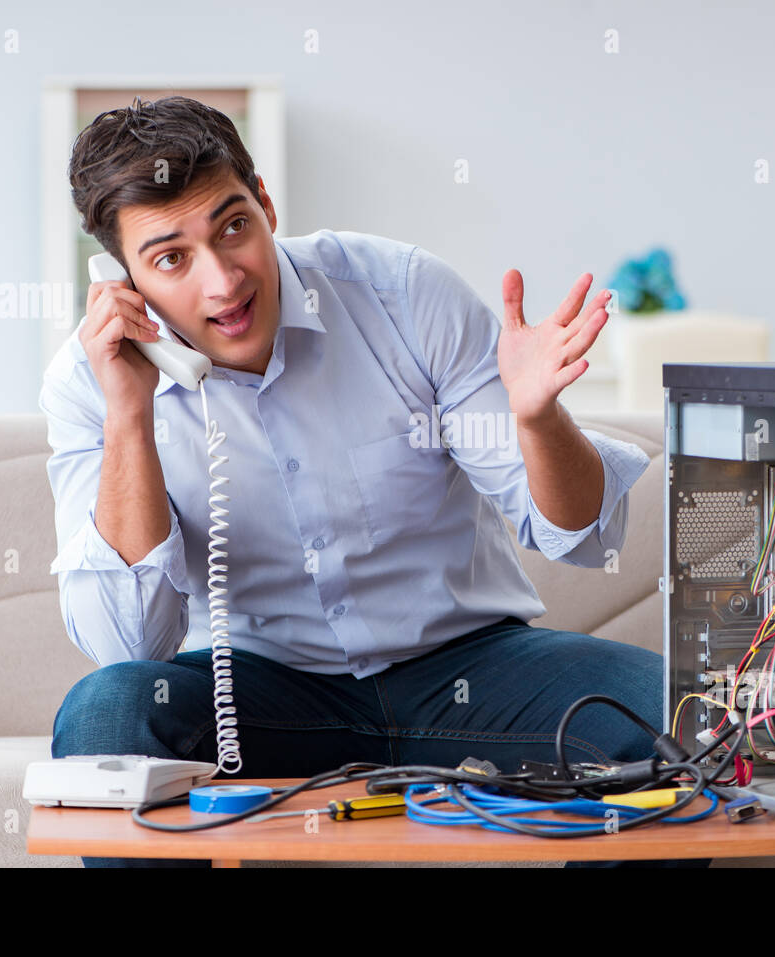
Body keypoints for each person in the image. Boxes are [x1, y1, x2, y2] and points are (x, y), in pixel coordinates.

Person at [42, 95, 708, 868]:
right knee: (108, 712)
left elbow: (571, 528)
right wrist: (130, 417)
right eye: (171, 259)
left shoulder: (403, 293)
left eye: (232, 227)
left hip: (467, 669)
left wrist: (536, 420)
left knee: (679, 712)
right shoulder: (89, 384)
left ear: (264, 200)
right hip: (260, 693)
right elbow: (128, 642)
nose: (222, 282)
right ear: (122, 279)